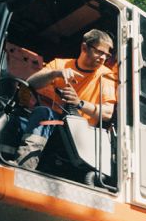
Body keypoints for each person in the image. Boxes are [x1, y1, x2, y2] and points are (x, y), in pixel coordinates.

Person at [16, 29, 118, 170]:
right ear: (84, 47)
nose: (103, 58)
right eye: (99, 52)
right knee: (15, 119)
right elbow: (30, 84)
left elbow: (107, 113)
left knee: (44, 113)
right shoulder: (60, 65)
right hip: (52, 125)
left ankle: (24, 166)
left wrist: (79, 104)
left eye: (106, 55)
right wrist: (54, 74)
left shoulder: (106, 75)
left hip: (80, 134)